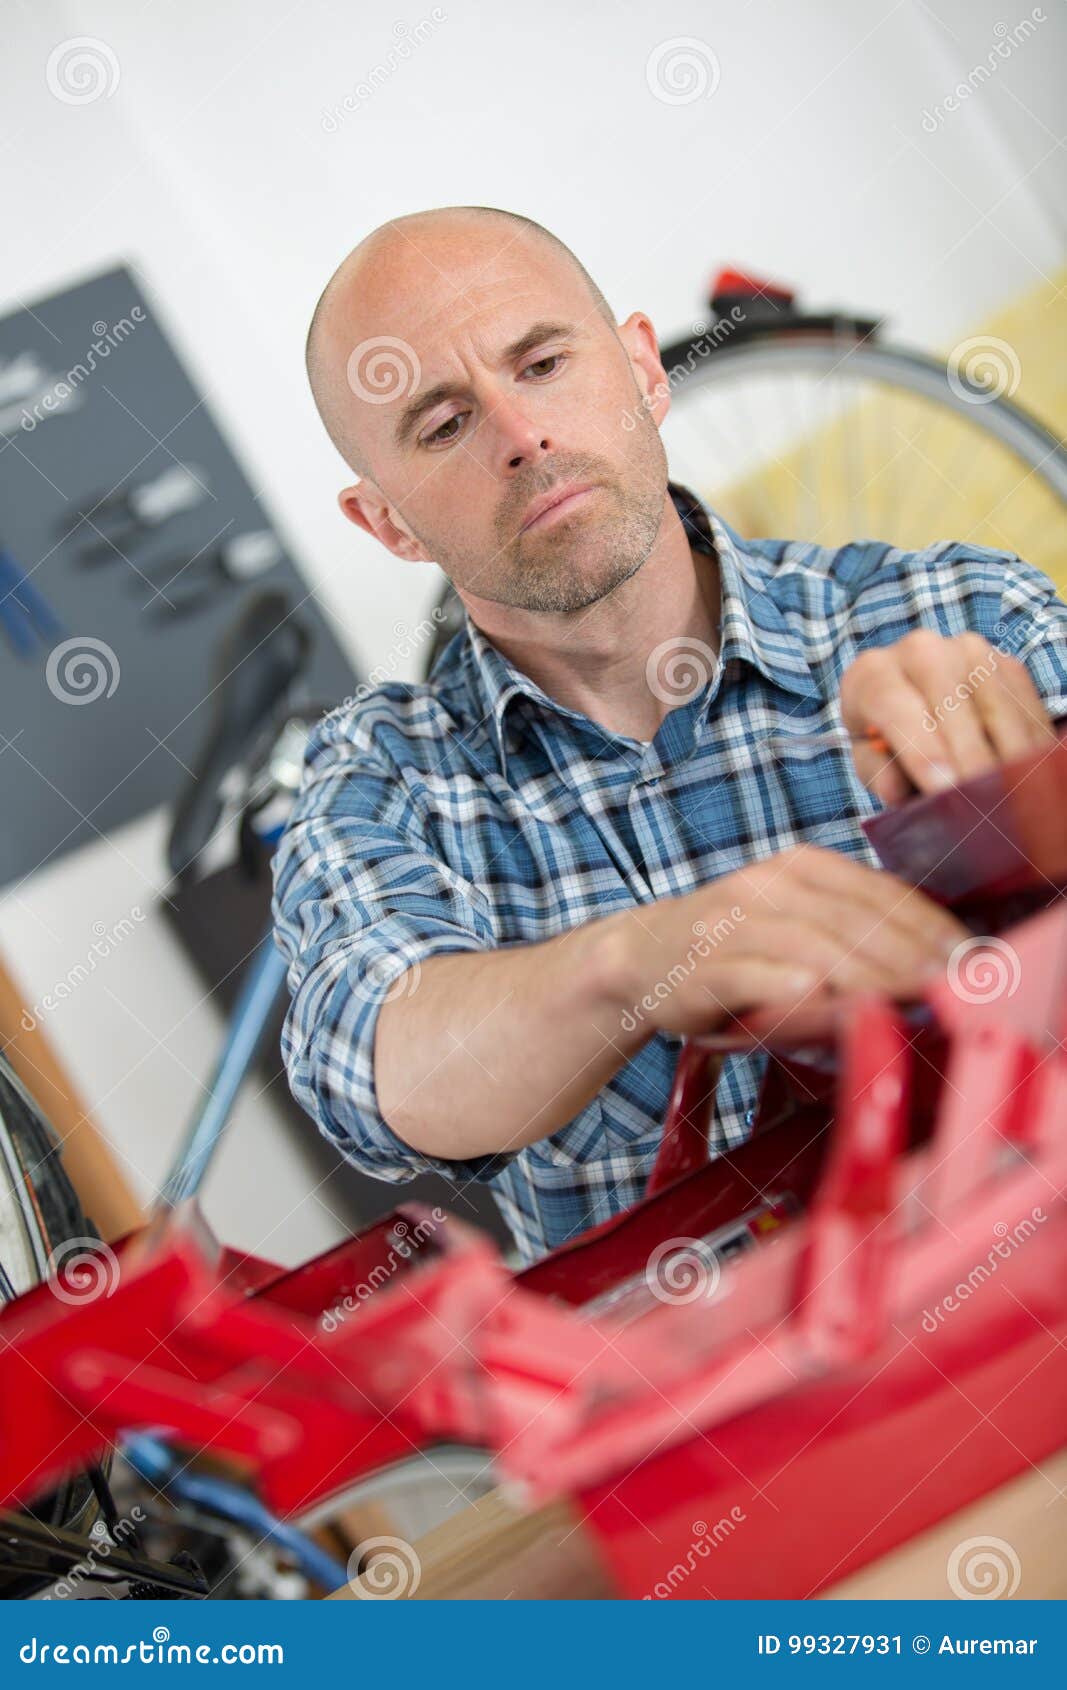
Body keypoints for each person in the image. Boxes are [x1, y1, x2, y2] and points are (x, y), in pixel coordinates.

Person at [271, 204, 1067, 1263]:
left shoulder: (960, 614)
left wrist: (1016, 811)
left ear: (643, 369)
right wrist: (630, 965)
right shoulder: (377, 786)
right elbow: (375, 1065)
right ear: (388, 523)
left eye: (543, 363)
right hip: (748, 1415)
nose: (523, 439)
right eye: (444, 425)